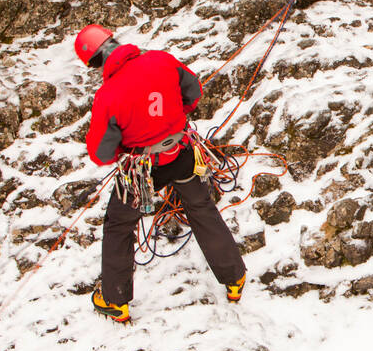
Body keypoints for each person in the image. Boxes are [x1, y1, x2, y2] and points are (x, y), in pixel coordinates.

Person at [75, 24, 246, 323]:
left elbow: (101, 154)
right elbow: (193, 93)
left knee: (118, 225)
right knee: (201, 208)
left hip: (142, 170)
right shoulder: (162, 60)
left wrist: (128, 145)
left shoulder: (107, 95)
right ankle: (234, 278)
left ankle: (115, 300)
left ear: (94, 62)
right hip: (180, 152)